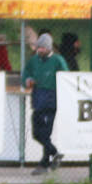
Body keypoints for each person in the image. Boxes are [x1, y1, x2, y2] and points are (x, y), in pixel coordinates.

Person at [23, 33, 68, 175]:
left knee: (45, 133)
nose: (39, 51)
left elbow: (65, 77)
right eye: (38, 48)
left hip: (50, 101)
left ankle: (44, 163)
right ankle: (54, 153)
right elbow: (26, 73)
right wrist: (28, 80)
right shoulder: (34, 60)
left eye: (42, 48)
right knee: (37, 133)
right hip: (37, 99)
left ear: (48, 48)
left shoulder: (58, 60)